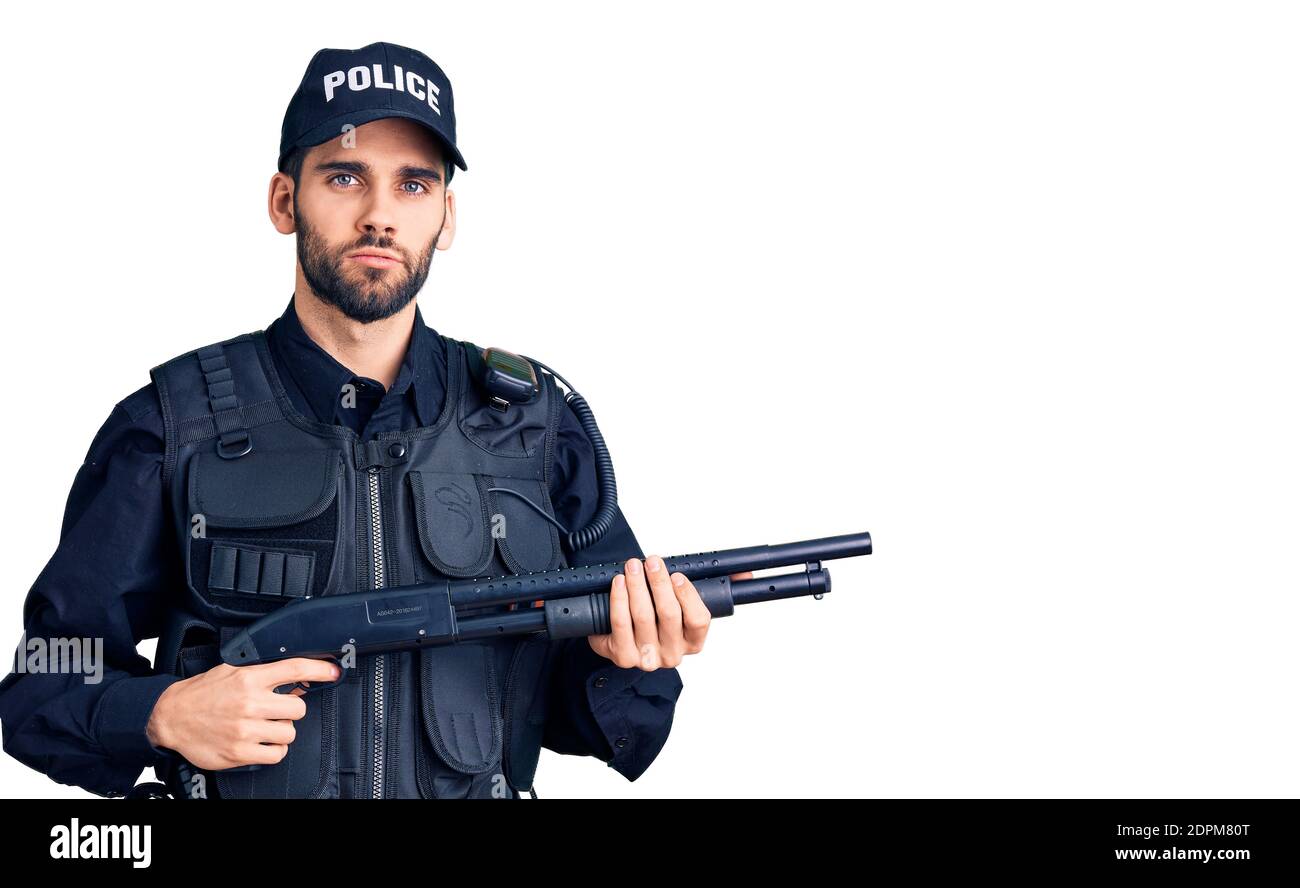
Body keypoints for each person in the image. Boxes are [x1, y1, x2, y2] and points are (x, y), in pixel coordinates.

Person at [0, 41, 745, 799]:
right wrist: (158, 714)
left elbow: (572, 715)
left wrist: (629, 655)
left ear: (446, 217)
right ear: (285, 200)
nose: (380, 215)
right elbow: (41, 686)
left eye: (414, 185)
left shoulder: (534, 428)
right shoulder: (171, 424)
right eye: (345, 176)